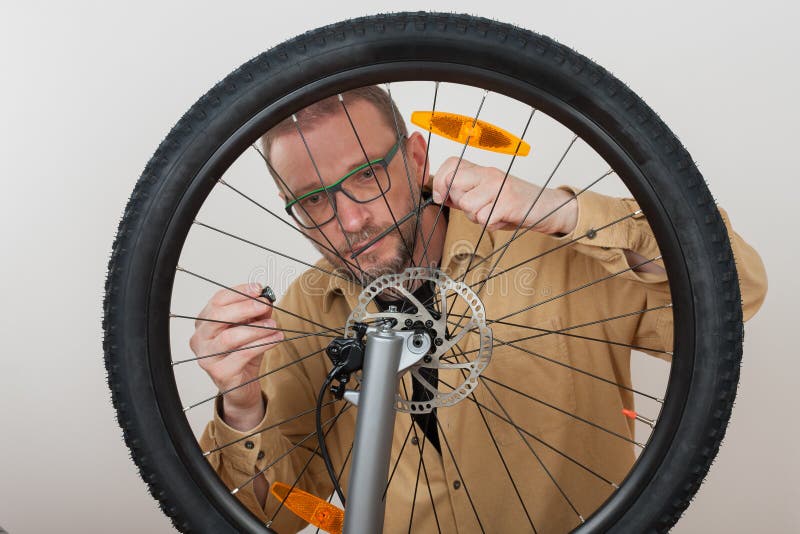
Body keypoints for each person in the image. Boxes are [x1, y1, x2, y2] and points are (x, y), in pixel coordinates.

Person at [192, 86, 767, 533]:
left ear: (416, 157)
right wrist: (240, 405)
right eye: (314, 199)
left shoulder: (554, 247)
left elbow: (736, 292)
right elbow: (271, 516)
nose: (351, 220)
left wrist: (564, 212)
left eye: (367, 175)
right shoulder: (302, 313)